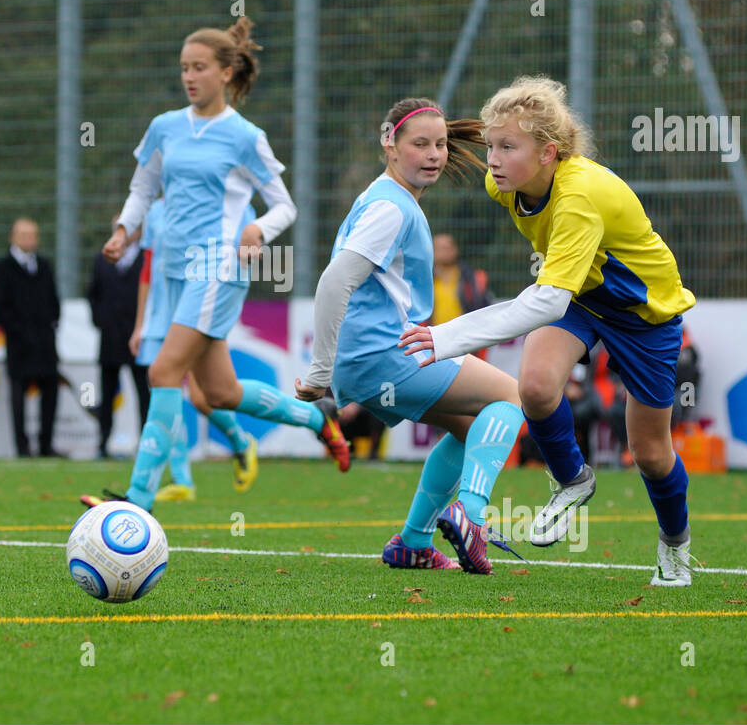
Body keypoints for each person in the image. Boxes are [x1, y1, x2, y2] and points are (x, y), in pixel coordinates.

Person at [399, 76, 698, 586]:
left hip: (644, 314)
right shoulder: (506, 183)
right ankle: (572, 480)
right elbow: (557, 295)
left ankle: (675, 547)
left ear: (549, 153)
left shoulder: (579, 194)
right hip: (581, 298)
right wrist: (423, 140)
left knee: (650, 453)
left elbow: (544, 301)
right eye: (491, 146)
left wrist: (446, 337)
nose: (493, 160)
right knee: (534, 388)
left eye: (507, 147)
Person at [84, 16, 351, 513]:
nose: (189, 77)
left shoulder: (245, 137)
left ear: (226, 73)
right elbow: (143, 188)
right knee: (221, 393)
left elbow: (285, 207)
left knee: (164, 371)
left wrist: (259, 230)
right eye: (185, 68)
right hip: (173, 270)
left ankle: (136, 500)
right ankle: (321, 420)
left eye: (200, 67)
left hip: (219, 266)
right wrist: (124, 230)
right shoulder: (165, 127)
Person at [296, 98, 524, 573]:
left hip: (368, 362)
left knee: (468, 429)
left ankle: (414, 543)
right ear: (389, 144)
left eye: (440, 144)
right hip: (386, 355)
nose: (434, 154)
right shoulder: (391, 208)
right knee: (513, 397)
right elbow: (334, 282)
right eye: (420, 144)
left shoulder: (383, 199)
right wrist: (320, 370)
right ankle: (473, 515)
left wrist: (332, 368)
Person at [128, 197, 258, 502]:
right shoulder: (156, 211)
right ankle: (182, 480)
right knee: (166, 388)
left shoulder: (218, 204)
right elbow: (147, 270)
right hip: (162, 313)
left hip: (194, 310)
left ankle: (241, 442)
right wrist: (140, 323)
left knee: (203, 397)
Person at [0, 217, 62, 457]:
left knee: (50, 391)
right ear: (13, 237)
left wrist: (50, 325)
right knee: (18, 397)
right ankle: (22, 447)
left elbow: (53, 301)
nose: (30, 239)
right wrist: (18, 330)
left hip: (45, 343)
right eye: (24, 235)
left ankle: (46, 445)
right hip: (19, 344)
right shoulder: (1, 269)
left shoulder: (44, 265)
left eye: (33, 234)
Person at [87, 219, 150, 458]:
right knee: (106, 392)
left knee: (143, 393)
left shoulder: (147, 258)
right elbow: (93, 294)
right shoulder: (101, 258)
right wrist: (100, 320)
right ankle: (103, 442)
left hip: (138, 339)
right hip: (110, 338)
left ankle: (145, 444)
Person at [431, 233, 494, 326]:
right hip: (433, 335)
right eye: (443, 248)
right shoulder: (426, 281)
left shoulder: (471, 278)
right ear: (433, 252)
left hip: (465, 334)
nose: (448, 250)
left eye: (450, 246)